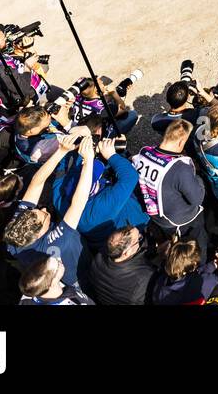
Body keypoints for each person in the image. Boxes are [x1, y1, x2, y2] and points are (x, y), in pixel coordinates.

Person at [3, 133, 97, 289]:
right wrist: (89, 161)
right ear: (39, 234)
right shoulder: (52, 245)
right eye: (45, 215)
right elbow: (78, 203)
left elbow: (36, 183)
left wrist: (62, 151)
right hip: (76, 276)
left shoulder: (18, 227)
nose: (45, 209)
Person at [133, 119, 206, 252]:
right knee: (194, 245)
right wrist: (198, 177)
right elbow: (197, 199)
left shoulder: (144, 152)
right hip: (181, 221)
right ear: (181, 142)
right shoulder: (180, 168)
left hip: (155, 214)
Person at [86, 225, 156, 305]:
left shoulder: (99, 258)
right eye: (139, 239)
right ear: (126, 252)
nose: (141, 237)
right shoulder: (142, 280)